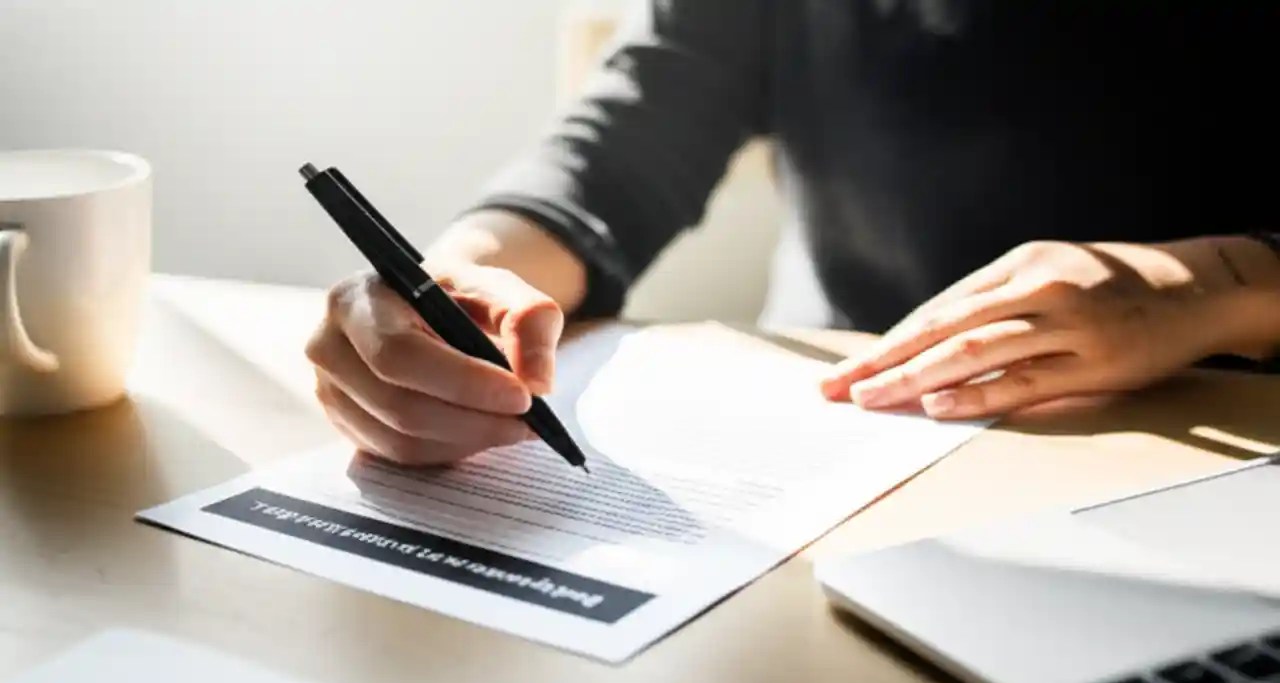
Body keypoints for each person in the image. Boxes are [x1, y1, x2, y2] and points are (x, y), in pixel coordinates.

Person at [304, 1, 1279, 467]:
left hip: (1214, 460)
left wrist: (1231, 282)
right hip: (835, 441)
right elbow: (618, 151)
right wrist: (458, 276)